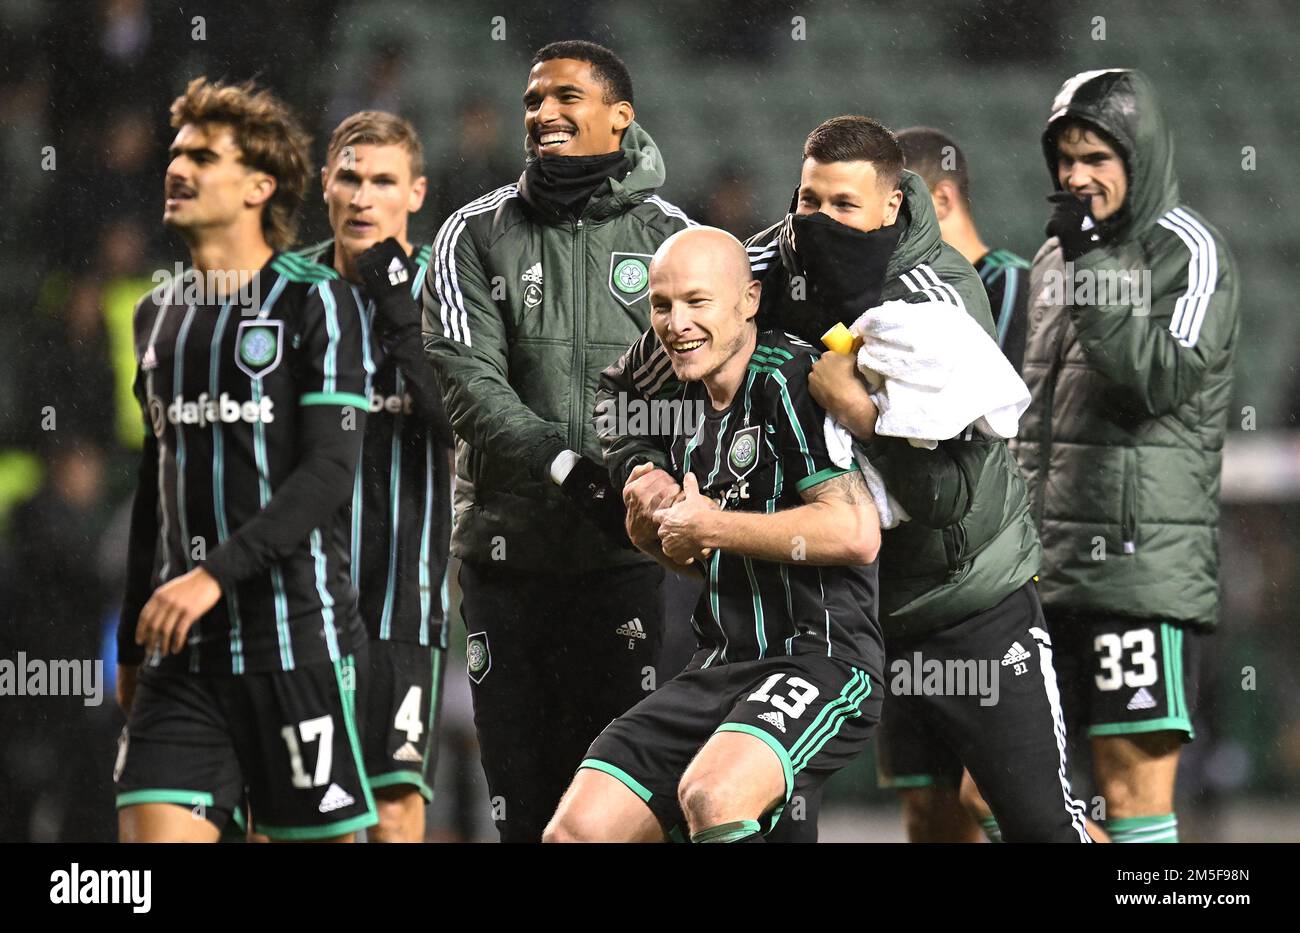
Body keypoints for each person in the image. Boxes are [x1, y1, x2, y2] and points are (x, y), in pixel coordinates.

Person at [602, 116, 1088, 842]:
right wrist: (640, 468)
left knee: (1034, 821)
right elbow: (621, 390)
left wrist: (861, 411)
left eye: (843, 207)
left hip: (960, 597)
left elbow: (948, 496)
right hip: (829, 619)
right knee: (806, 812)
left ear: (892, 206)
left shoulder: (940, 302)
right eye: (807, 202)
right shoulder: (757, 272)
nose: (817, 224)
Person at [421, 40, 694, 842]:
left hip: (630, 566)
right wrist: (569, 467)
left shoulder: (675, 238)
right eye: (534, 100)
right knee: (524, 798)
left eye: (567, 97)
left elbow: (711, 374)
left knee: (626, 807)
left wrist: (664, 483)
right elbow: (471, 389)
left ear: (621, 117)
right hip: (509, 564)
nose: (543, 113)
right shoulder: (471, 236)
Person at [544, 227, 884, 843]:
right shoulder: (687, 406)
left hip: (821, 658)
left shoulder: (789, 376)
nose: (676, 323)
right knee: (578, 831)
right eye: (662, 305)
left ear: (749, 300)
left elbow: (855, 531)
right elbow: (710, 556)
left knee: (713, 794)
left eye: (697, 302)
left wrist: (709, 523)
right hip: (724, 664)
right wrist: (658, 533)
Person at [114, 77, 376, 843]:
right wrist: (136, 630)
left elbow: (327, 476)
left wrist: (210, 575)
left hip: (295, 644)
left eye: (202, 153)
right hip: (179, 662)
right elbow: (150, 489)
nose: (177, 166)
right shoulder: (155, 313)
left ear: (260, 184)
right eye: (175, 150)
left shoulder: (316, 301)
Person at [1015, 69, 1239, 844]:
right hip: (1046, 571)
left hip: (1136, 575)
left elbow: (1153, 378)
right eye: (1066, 159)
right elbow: (1032, 420)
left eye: (1096, 158)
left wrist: (1093, 263)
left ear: (1138, 158)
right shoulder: (1055, 258)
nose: (1076, 177)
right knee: (1010, 788)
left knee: (1132, 791)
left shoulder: (1189, 251)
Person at [299, 110, 454, 842]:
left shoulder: (444, 292)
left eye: (383, 181)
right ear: (324, 185)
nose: (364, 196)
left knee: (394, 801)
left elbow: (455, 415)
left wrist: (394, 297)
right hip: (299, 599)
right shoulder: (283, 292)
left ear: (415, 193)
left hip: (402, 595)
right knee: (309, 805)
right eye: (350, 178)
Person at [896, 126, 1032, 373]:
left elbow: (999, 397)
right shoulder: (910, 286)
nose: (886, 217)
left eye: (897, 202)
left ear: (943, 199)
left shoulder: (1012, 280)